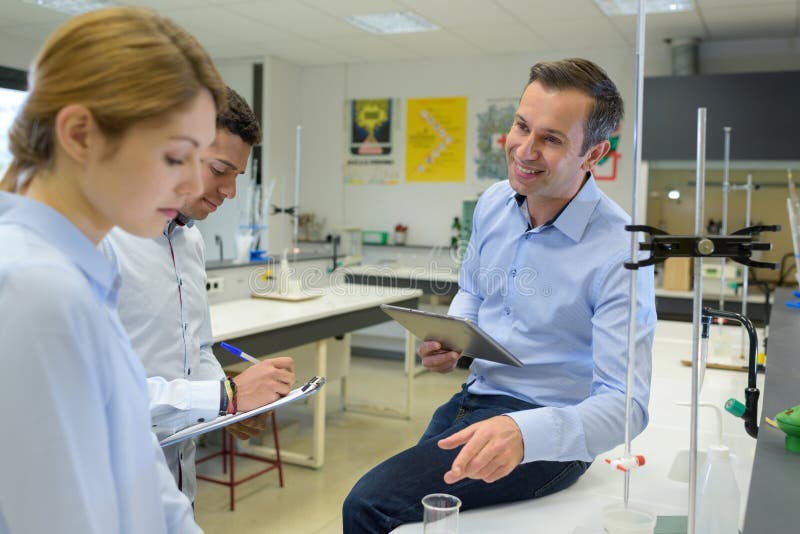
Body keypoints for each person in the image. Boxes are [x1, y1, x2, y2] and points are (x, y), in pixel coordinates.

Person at [343, 58, 656, 533]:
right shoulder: (493, 204)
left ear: (594, 155)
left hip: (551, 428)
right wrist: (453, 336)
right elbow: (472, 289)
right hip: (473, 400)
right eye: (521, 127)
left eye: (550, 139)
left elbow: (626, 406)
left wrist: (525, 435)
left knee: (370, 506)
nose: (524, 150)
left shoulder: (621, 249)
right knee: (420, 519)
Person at [0, 7, 226, 533]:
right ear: (80, 134)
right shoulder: (35, 292)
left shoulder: (82, 275)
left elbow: (138, 471)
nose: (194, 185)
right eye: (175, 157)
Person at [102, 87, 295, 503]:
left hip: (177, 481)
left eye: (237, 177)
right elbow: (92, 391)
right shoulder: (100, 240)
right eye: (220, 170)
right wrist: (224, 396)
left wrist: (229, 408)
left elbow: (198, 349)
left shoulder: (190, 242)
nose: (230, 191)